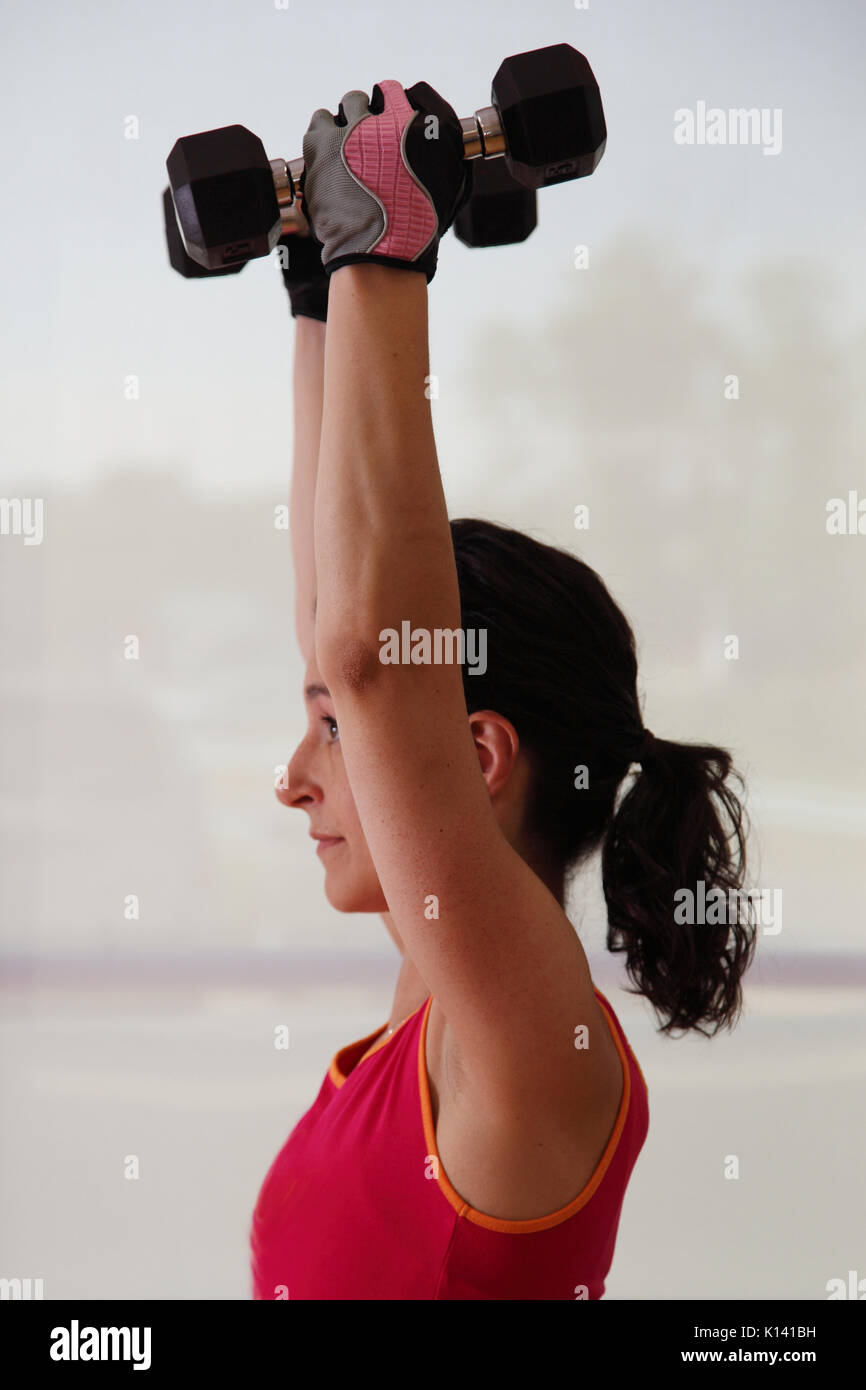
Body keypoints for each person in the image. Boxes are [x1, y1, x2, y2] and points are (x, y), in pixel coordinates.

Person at [249, 79, 756, 1300]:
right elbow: (347, 631)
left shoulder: (532, 1047)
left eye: (328, 735)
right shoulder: (424, 1028)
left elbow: (373, 656)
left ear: (477, 754)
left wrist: (389, 254)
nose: (291, 779)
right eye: (317, 728)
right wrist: (321, 285)